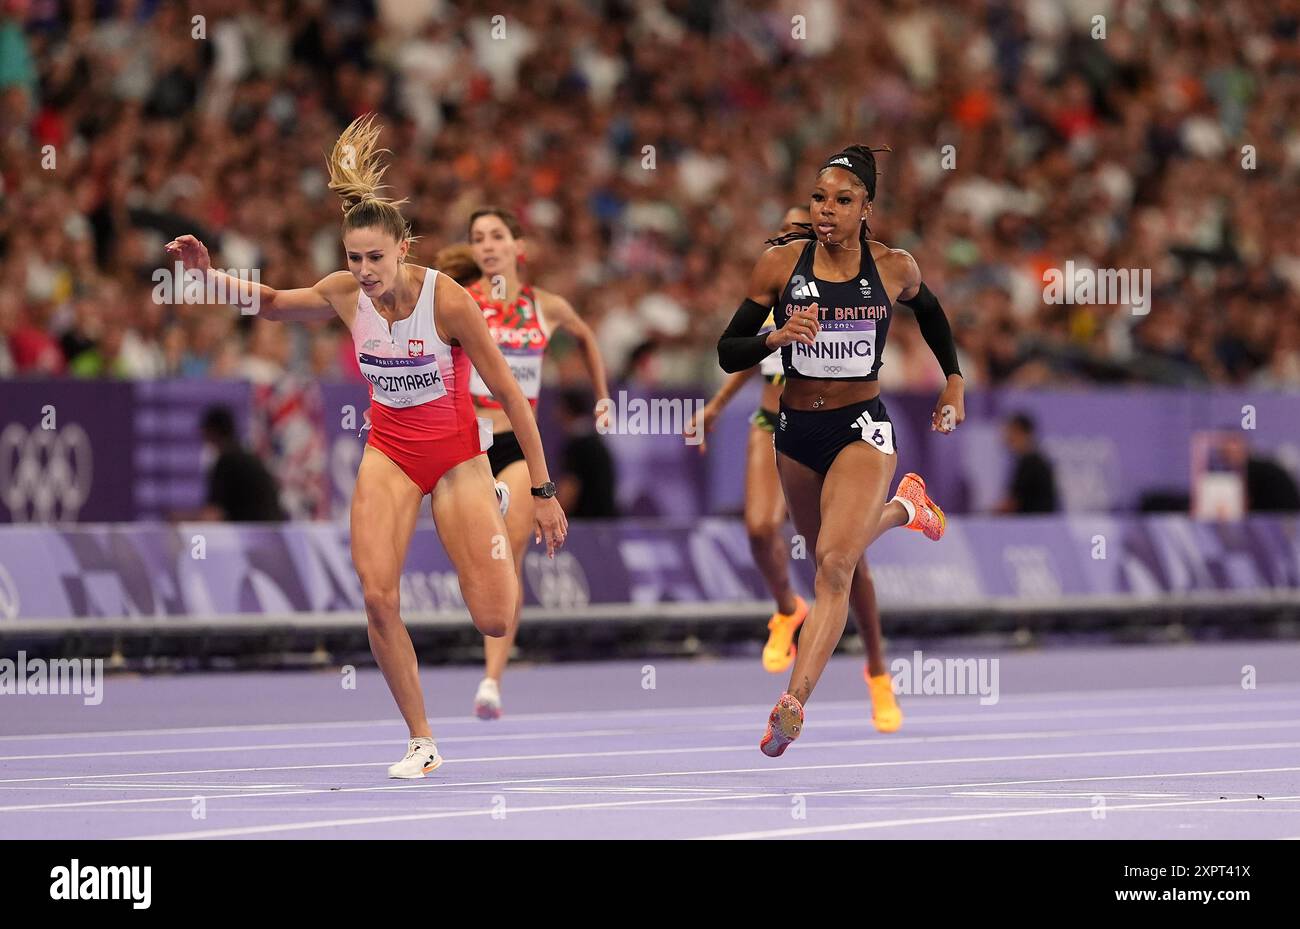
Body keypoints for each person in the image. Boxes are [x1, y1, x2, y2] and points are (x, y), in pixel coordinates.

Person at [164, 115, 567, 778]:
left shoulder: (450, 301)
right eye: (354, 258)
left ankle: (483, 505)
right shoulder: (344, 294)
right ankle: (421, 738)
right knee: (378, 595)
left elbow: (515, 399)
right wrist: (209, 277)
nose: (365, 270)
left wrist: (543, 491)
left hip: (461, 454)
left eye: (375, 258)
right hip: (390, 451)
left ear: (403, 248)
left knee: (495, 618)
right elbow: (268, 302)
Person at [718, 145, 965, 756]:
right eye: (820, 198)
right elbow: (728, 349)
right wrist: (775, 335)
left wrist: (953, 380)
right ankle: (906, 509)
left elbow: (932, 315)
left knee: (835, 564)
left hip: (861, 428)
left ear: (866, 209)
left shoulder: (893, 267)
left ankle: (793, 702)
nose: (827, 210)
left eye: (843, 200)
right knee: (822, 552)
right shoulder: (778, 266)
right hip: (795, 433)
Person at [691, 206, 903, 732]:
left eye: (801, 229)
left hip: (838, 427)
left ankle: (877, 672)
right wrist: (717, 404)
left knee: (847, 564)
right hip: (774, 424)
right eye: (787, 230)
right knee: (761, 528)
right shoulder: (777, 279)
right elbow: (750, 355)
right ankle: (788, 608)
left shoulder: (842, 280)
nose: (793, 237)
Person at [463, 207, 611, 720]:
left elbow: (587, 335)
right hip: (467, 442)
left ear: (517, 247)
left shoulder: (543, 306)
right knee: (481, 551)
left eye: (497, 236)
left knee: (511, 547)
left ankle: (491, 680)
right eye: (478, 238)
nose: (487, 246)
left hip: (519, 445)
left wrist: (603, 396)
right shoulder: (460, 302)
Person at [198, 405, 286, 522]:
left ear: (211, 431)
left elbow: (212, 514)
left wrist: (179, 526)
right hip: (271, 528)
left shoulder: (226, 461)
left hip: (252, 533)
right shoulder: (247, 456)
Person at [556, 387, 618, 519]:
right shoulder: (595, 441)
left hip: (589, 526)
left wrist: (551, 515)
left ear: (566, 409)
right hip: (604, 523)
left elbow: (570, 489)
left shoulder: (578, 445)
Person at [997, 412, 1059, 513]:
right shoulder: (1034, 460)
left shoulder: (1030, 463)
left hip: (1034, 524)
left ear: (1020, 432)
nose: (1007, 437)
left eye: (1010, 431)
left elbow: (1012, 503)